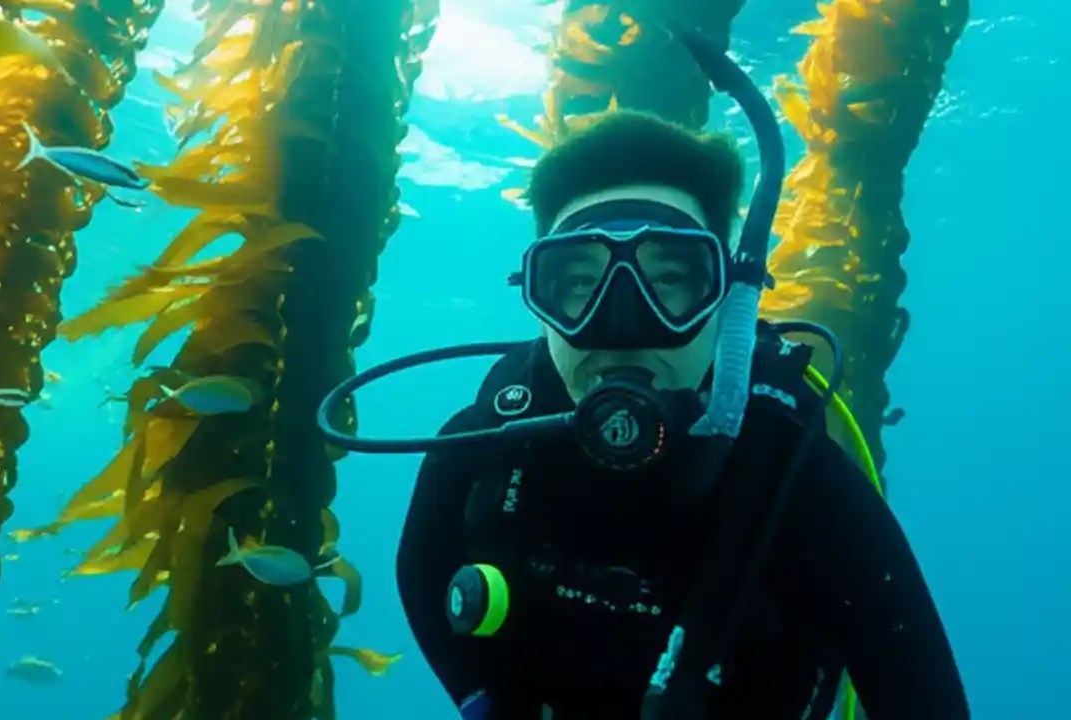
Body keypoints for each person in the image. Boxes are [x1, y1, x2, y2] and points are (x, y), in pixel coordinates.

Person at [391, 109, 970, 719]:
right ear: (540, 301)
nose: (622, 326)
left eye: (669, 279)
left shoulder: (791, 478)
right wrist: (480, 704)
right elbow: (420, 569)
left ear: (728, 302)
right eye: (580, 282)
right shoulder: (489, 443)